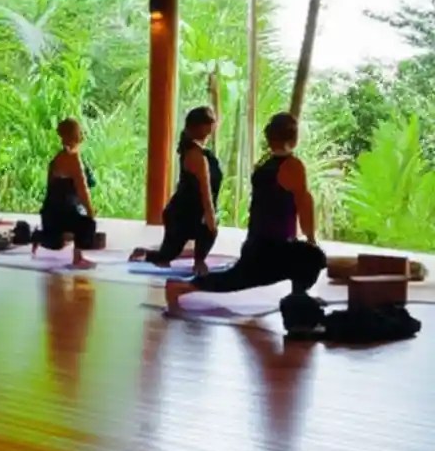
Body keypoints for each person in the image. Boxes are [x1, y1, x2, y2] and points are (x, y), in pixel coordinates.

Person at [166, 113, 326, 312]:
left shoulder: (265, 165)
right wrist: (311, 239)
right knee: (314, 257)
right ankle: (299, 296)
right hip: (271, 251)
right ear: (294, 138)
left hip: (257, 247)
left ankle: (185, 285)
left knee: (235, 279)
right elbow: (305, 205)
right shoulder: (293, 166)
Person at [131, 106, 221, 275]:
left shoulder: (199, 151)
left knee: (207, 229)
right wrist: (210, 216)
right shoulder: (195, 155)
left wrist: (210, 217)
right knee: (166, 256)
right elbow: (205, 189)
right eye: (212, 122)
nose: (215, 125)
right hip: (181, 215)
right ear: (202, 127)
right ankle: (143, 253)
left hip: (192, 212)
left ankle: (199, 261)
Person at [33, 118, 98, 269]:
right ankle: (77, 257)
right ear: (75, 135)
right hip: (57, 214)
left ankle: (40, 236)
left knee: (60, 240)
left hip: (52, 213)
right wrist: (90, 211)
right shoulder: (71, 158)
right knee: (88, 223)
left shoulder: (58, 157)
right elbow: (82, 189)